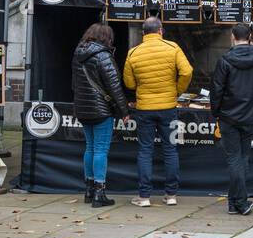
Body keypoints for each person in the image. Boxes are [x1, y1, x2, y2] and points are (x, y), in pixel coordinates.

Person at [123, 17, 193, 208]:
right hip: (169, 109)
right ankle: (171, 195)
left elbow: (129, 83)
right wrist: (177, 91)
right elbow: (187, 72)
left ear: (143, 33)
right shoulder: (173, 48)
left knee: (145, 150)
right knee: (170, 149)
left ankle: (144, 197)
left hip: (144, 109)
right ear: (161, 31)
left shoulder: (133, 53)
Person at [210, 23, 253, 217]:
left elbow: (217, 89)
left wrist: (215, 112)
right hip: (249, 114)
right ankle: (234, 203)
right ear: (250, 37)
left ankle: (239, 203)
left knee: (235, 158)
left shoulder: (224, 60)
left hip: (228, 115)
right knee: (243, 158)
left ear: (233, 37)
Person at [72, 22, 130, 209]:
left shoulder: (78, 53)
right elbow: (114, 86)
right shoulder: (104, 56)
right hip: (101, 110)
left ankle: (88, 189)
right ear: (107, 37)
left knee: (90, 148)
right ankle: (99, 192)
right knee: (101, 150)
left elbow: (74, 84)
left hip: (82, 108)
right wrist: (124, 111)